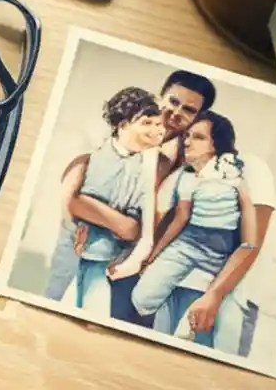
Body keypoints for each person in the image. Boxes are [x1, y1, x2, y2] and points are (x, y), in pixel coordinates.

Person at [56, 70, 218, 325]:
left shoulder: (185, 160)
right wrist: (98, 221)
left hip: (139, 268)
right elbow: (75, 189)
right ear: (161, 97)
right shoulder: (126, 133)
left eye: (188, 110)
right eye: (173, 102)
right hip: (93, 250)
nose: (176, 113)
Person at [129, 111, 258, 344]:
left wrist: (244, 248)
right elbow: (180, 218)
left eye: (197, 137)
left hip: (218, 254)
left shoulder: (235, 178)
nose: (187, 141)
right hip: (187, 244)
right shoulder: (186, 178)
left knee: (196, 320)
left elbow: (249, 240)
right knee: (142, 297)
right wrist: (153, 256)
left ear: (215, 144)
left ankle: (182, 330)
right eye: (187, 136)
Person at [44, 87, 164, 306]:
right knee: (53, 300)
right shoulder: (91, 156)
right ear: (123, 124)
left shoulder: (145, 171)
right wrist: (115, 222)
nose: (156, 130)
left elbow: (133, 229)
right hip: (71, 253)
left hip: (105, 261)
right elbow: (73, 203)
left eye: (158, 124)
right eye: (146, 123)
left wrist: (108, 219)